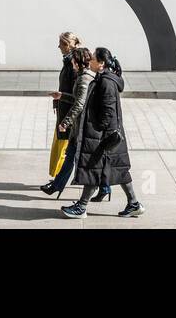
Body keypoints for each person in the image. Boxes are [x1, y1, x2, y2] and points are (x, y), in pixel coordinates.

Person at [60, 48, 141, 218]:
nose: (90, 59)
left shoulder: (106, 82)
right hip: (110, 136)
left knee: (94, 169)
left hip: (105, 136)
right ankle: (133, 203)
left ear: (102, 63)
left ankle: (81, 207)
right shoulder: (104, 78)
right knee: (117, 170)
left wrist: (98, 128)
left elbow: (108, 111)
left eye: (94, 58)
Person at [44, 45, 101, 199]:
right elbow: (78, 99)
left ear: (77, 63)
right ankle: (57, 185)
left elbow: (79, 104)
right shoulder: (85, 75)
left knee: (87, 159)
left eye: (74, 62)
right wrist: (61, 95)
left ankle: (104, 188)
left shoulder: (83, 78)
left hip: (85, 127)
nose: (72, 65)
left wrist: (65, 122)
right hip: (80, 126)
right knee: (71, 155)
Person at [41, 32, 82, 196]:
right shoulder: (69, 62)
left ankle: (58, 182)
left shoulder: (73, 65)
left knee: (68, 150)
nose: (58, 47)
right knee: (70, 150)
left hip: (69, 114)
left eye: (61, 44)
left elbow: (77, 95)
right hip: (65, 110)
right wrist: (58, 101)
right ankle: (103, 185)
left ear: (68, 45)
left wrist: (61, 100)